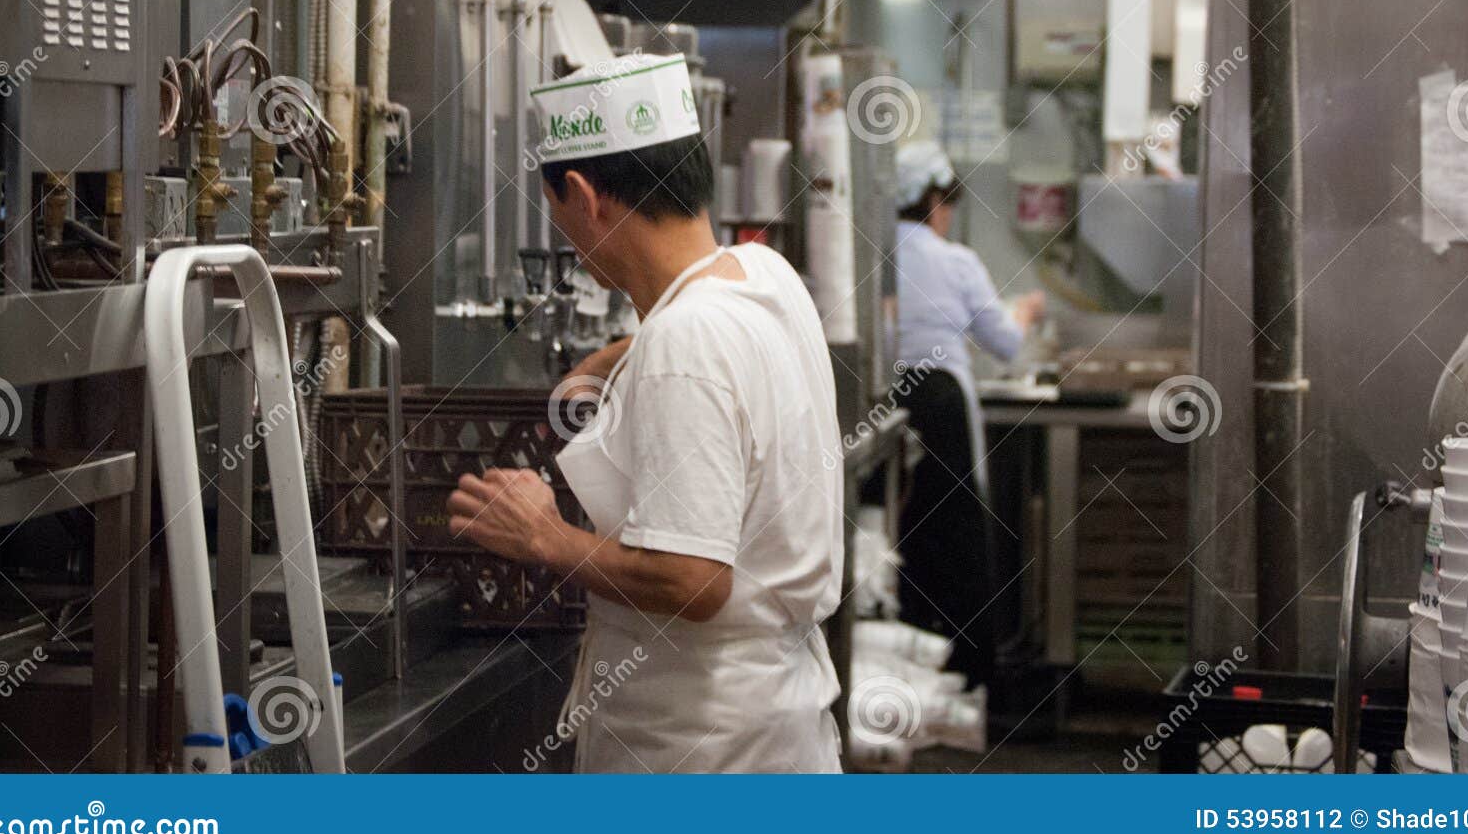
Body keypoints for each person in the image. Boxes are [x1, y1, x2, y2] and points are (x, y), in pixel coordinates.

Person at [447, 53, 844, 772]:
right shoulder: (761, 274)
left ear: (582, 192)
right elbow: (702, 337)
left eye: (558, 211)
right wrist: (615, 356)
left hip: (699, 748)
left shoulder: (684, 340)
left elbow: (692, 580)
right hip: (776, 725)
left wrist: (543, 534)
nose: (566, 237)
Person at [892, 140, 1045, 685]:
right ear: (934, 199)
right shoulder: (954, 260)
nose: (949, 212)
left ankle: (906, 663)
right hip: (941, 404)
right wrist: (1024, 310)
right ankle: (970, 674)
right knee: (960, 533)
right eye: (948, 199)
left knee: (898, 535)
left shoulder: (874, 255)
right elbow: (1003, 342)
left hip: (884, 405)